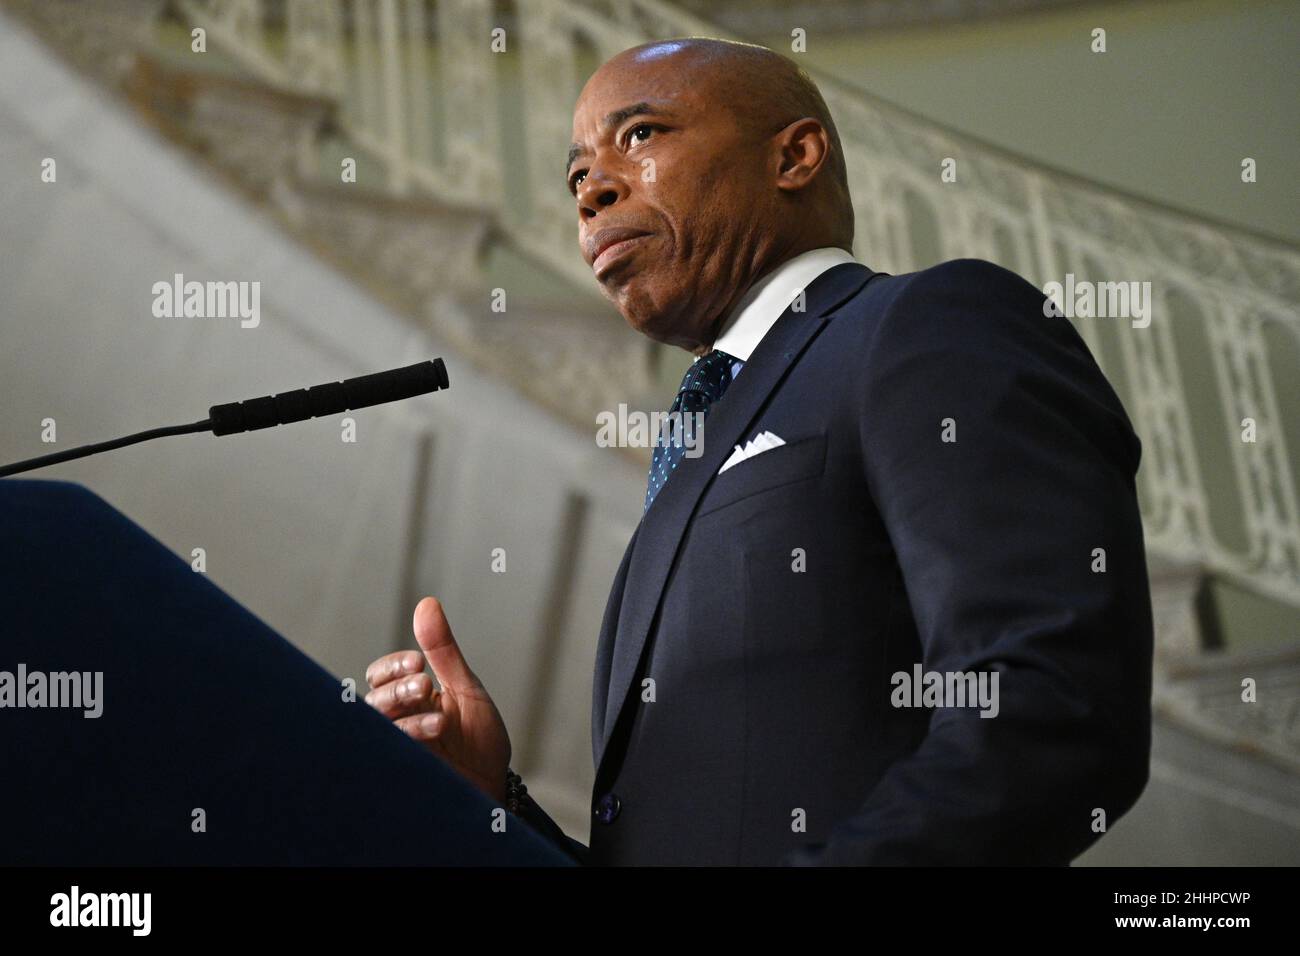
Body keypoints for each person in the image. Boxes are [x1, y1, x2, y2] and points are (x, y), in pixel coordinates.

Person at [365, 38, 1153, 865]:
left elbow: (1049, 706)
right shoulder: (697, 440)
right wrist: (494, 799)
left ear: (794, 156)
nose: (592, 192)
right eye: (575, 177)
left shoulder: (923, 325)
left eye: (640, 137)